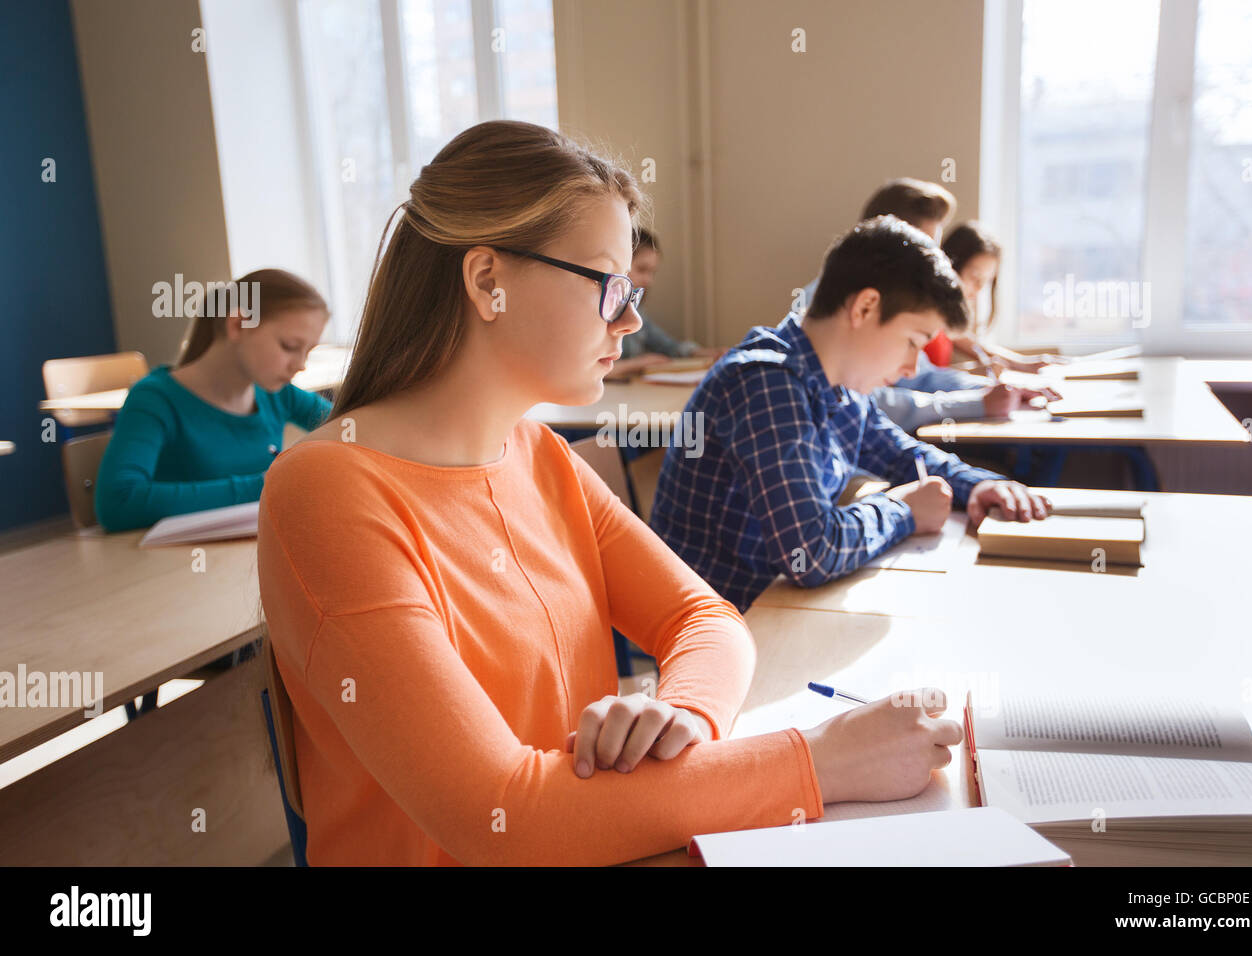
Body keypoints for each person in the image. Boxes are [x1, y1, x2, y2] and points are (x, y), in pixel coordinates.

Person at [256, 120, 963, 866]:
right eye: (608, 285)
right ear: (487, 281)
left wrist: (676, 718)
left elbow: (704, 618)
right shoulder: (326, 492)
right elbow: (504, 816)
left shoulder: (537, 454)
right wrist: (822, 762)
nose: (630, 319)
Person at [652, 215, 1053, 613]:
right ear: (865, 307)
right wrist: (904, 510)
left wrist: (979, 486)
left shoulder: (838, 384)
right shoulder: (767, 383)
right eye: (912, 342)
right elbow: (810, 553)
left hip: (777, 608)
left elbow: (899, 454)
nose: (913, 369)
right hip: (719, 625)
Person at [799, 180, 1055, 430]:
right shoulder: (828, 307)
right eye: (922, 249)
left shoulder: (899, 307)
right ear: (882, 240)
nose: (929, 263)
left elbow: (922, 376)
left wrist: (991, 391)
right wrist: (974, 404)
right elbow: (872, 404)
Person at [94, 268, 332, 533]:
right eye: (289, 346)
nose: (300, 365)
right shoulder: (154, 399)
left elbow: (352, 429)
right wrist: (269, 484)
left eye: (308, 351)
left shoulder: (279, 394)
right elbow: (118, 502)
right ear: (238, 325)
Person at [937, 222, 1061, 373]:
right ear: (950, 266)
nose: (979, 289)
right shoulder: (925, 311)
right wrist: (974, 372)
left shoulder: (948, 319)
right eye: (975, 277)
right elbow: (919, 378)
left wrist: (1026, 364)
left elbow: (976, 346)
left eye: (986, 282)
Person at [606, 227, 722, 378]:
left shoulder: (637, 311)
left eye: (652, 272)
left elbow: (667, 345)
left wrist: (703, 353)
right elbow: (589, 371)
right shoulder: (600, 311)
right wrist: (637, 364)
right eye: (642, 269)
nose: (649, 280)